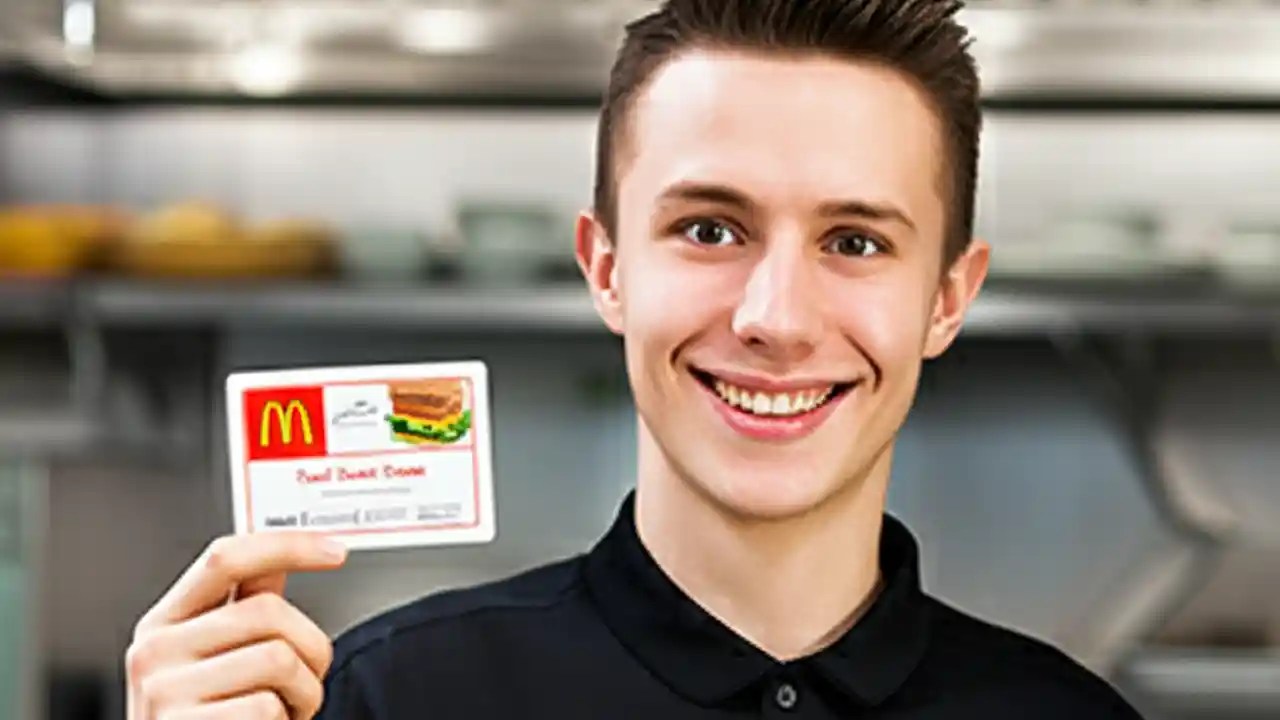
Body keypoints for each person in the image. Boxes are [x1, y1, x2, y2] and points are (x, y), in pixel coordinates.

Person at [125, 1, 1147, 718]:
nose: (773, 317)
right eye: (709, 230)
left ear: (945, 298)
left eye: (853, 242)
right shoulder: (377, 698)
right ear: (604, 268)